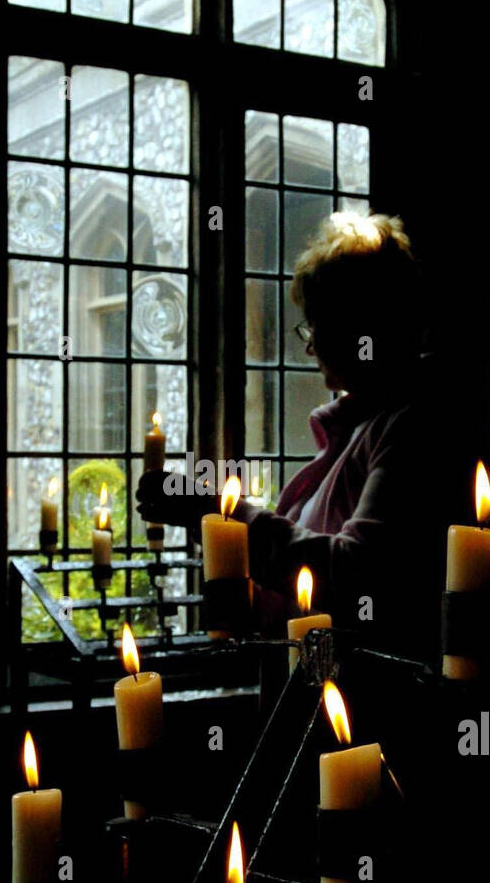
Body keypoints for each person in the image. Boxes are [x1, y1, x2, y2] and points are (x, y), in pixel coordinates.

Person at [137, 212, 471, 660]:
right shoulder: (360, 426)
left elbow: (357, 573)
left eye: (316, 325)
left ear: (361, 325)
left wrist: (217, 517)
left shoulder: (416, 424)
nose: (309, 345)